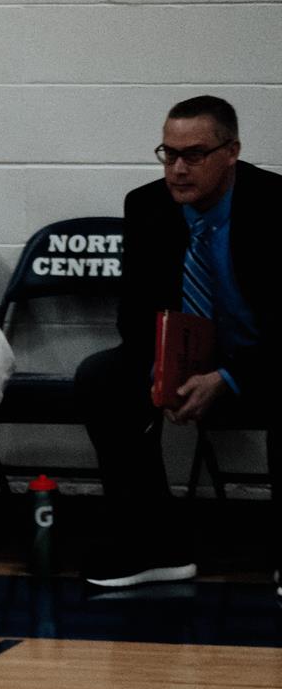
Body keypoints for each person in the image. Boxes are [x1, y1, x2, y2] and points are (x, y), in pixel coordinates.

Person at [74, 96, 279, 590]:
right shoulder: (145, 205)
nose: (178, 169)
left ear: (232, 151)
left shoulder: (274, 206)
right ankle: (153, 546)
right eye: (169, 154)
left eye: (194, 155)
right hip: (188, 357)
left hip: (264, 362)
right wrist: (164, 372)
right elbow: (135, 314)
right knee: (102, 377)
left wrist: (226, 378)